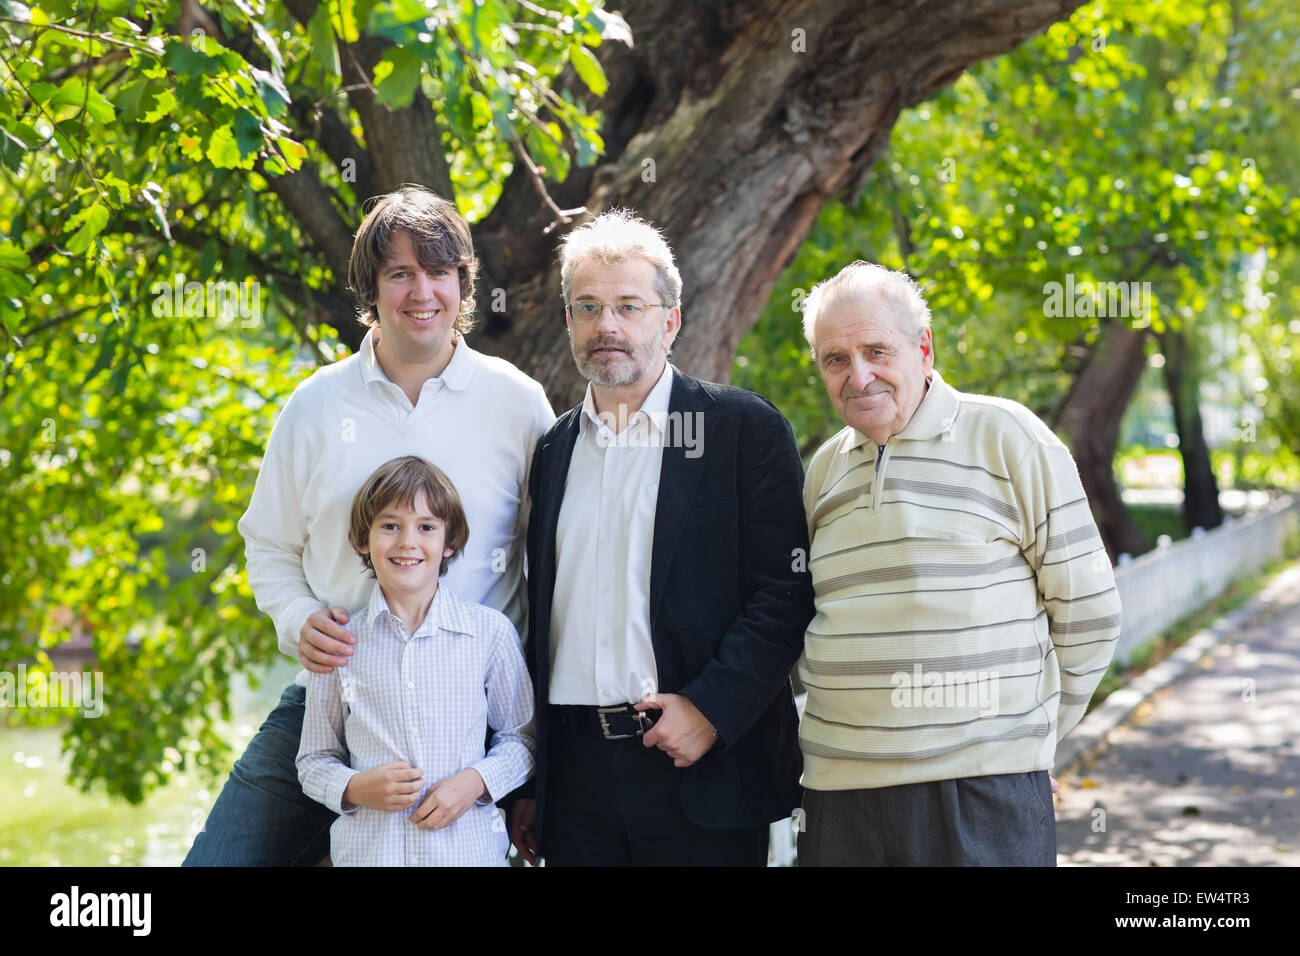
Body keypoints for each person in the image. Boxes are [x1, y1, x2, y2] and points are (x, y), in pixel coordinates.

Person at [184, 185, 554, 866]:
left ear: (463, 283)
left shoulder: (518, 403)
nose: (422, 291)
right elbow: (267, 543)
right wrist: (298, 620)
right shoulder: (315, 405)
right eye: (400, 273)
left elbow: (551, 562)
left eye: (439, 271)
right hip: (335, 695)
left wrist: (527, 771)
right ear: (372, 288)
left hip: (474, 716)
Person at [507, 209, 813, 867]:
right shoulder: (554, 449)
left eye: (628, 307)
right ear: (568, 322)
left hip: (698, 767)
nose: (606, 326)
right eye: (587, 308)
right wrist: (534, 778)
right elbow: (543, 620)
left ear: (669, 321)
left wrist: (710, 709)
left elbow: (787, 592)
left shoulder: (741, 430)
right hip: (576, 780)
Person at [795, 261, 1121, 866]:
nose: (857, 375)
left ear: (923, 348)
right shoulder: (823, 469)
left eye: (875, 350)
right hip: (839, 795)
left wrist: (1031, 740)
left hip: (980, 792)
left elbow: (1090, 611)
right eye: (835, 359)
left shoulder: (1007, 436)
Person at [296, 456, 534, 866]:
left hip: (468, 854)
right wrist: (355, 787)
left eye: (426, 527)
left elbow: (524, 739)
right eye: (390, 526)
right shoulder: (341, 644)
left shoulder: (489, 635)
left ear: (449, 544)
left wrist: (475, 782)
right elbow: (313, 761)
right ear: (363, 541)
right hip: (370, 855)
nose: (408, 541)